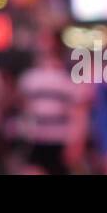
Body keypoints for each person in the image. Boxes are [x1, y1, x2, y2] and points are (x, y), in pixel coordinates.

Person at [16, 43, 86, 174]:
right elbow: (25, 108)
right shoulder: (30, 78)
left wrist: (75, 142)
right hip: (37, 139)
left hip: (59, 139)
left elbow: (77, 113)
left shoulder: (67, 79)